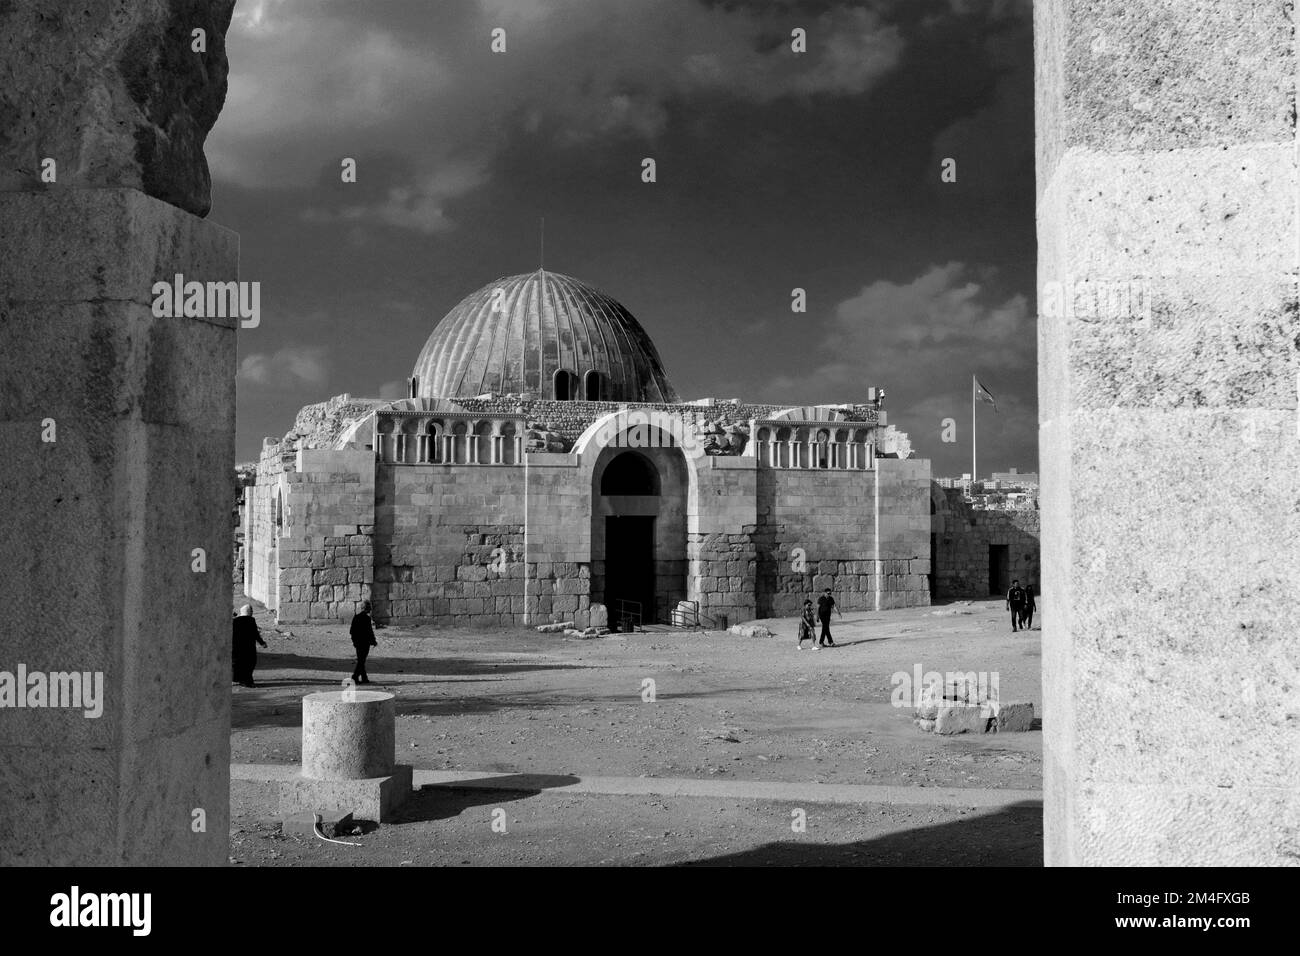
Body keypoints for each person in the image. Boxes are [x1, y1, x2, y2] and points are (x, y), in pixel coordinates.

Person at [231, 604, 266, 687]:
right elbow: (255, 634)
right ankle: (246, 681)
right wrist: (262, 643)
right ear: (249, 612)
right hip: (249, 648)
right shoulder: (251, 620)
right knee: (249, 664)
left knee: (237, 664)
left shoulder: (235, 621)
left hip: (236, 647)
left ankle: (236, 679)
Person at [349, 601, 377, 684]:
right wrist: (373, 641)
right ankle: (355, 677)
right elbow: (369, 632)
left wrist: (354, 641)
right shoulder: (367, 619)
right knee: (361, 661)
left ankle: (364, 678)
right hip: (365, 643)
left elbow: (351, 631)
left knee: (361, 660)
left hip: (358, 643)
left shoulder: (356, 617)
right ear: (367, 609)